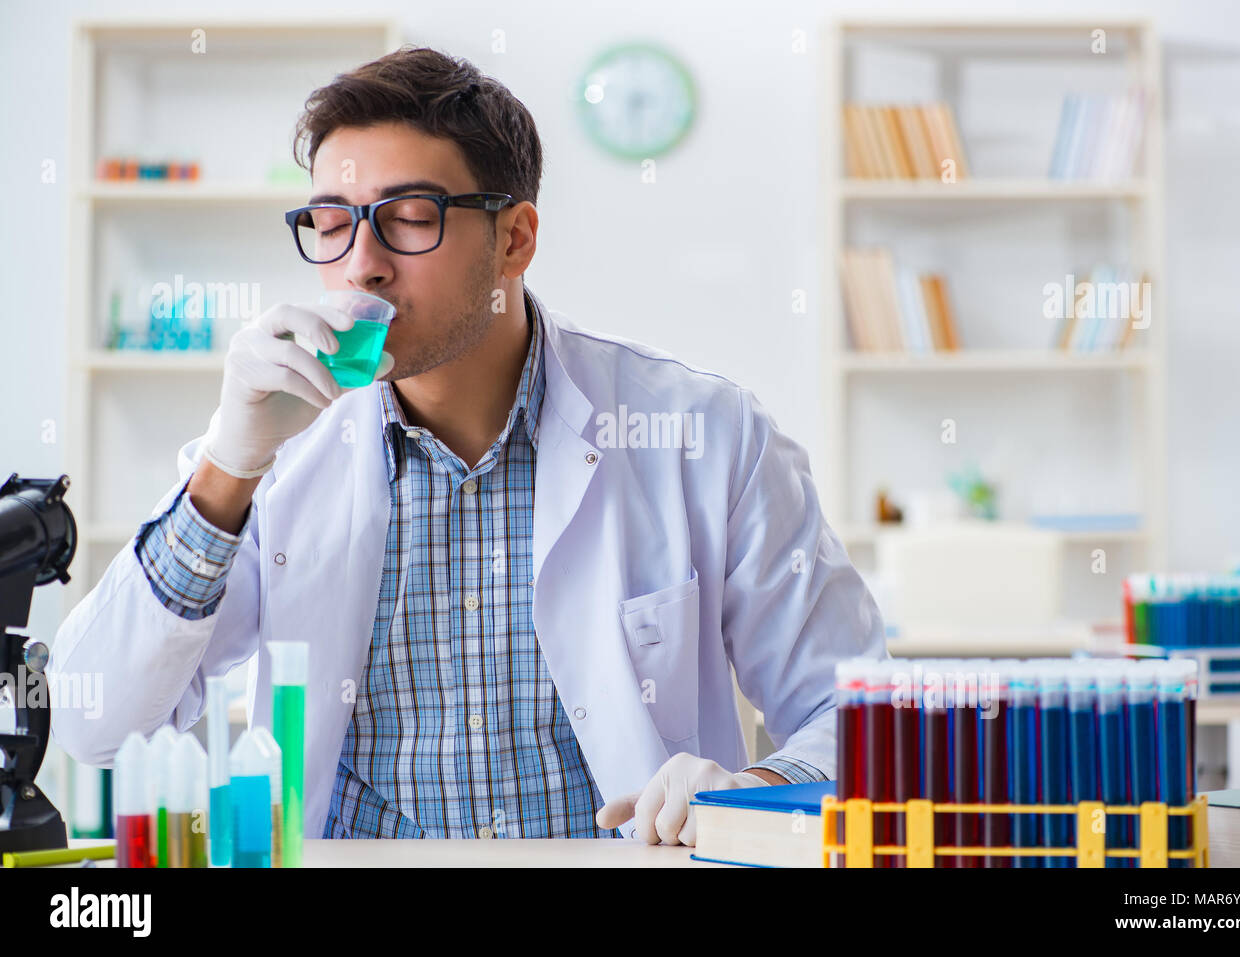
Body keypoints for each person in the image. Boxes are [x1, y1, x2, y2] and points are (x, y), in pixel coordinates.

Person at [49, 45, 883, 845]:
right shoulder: (273, 449)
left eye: (408, 219)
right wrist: (225, 471)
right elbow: (95, 722)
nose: (360, 265)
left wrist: (763, 787)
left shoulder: (703, 434)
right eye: (332, 224)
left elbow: (863, 712)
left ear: (515, 239)